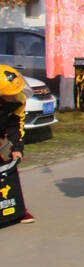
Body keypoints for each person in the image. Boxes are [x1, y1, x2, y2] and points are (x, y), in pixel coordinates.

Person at [0, 65, 34, 225]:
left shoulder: (17, 100)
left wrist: (17, 148)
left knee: (10, 166)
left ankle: (18, 209)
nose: (15, 97)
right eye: (10, 95)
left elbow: (16, 124)